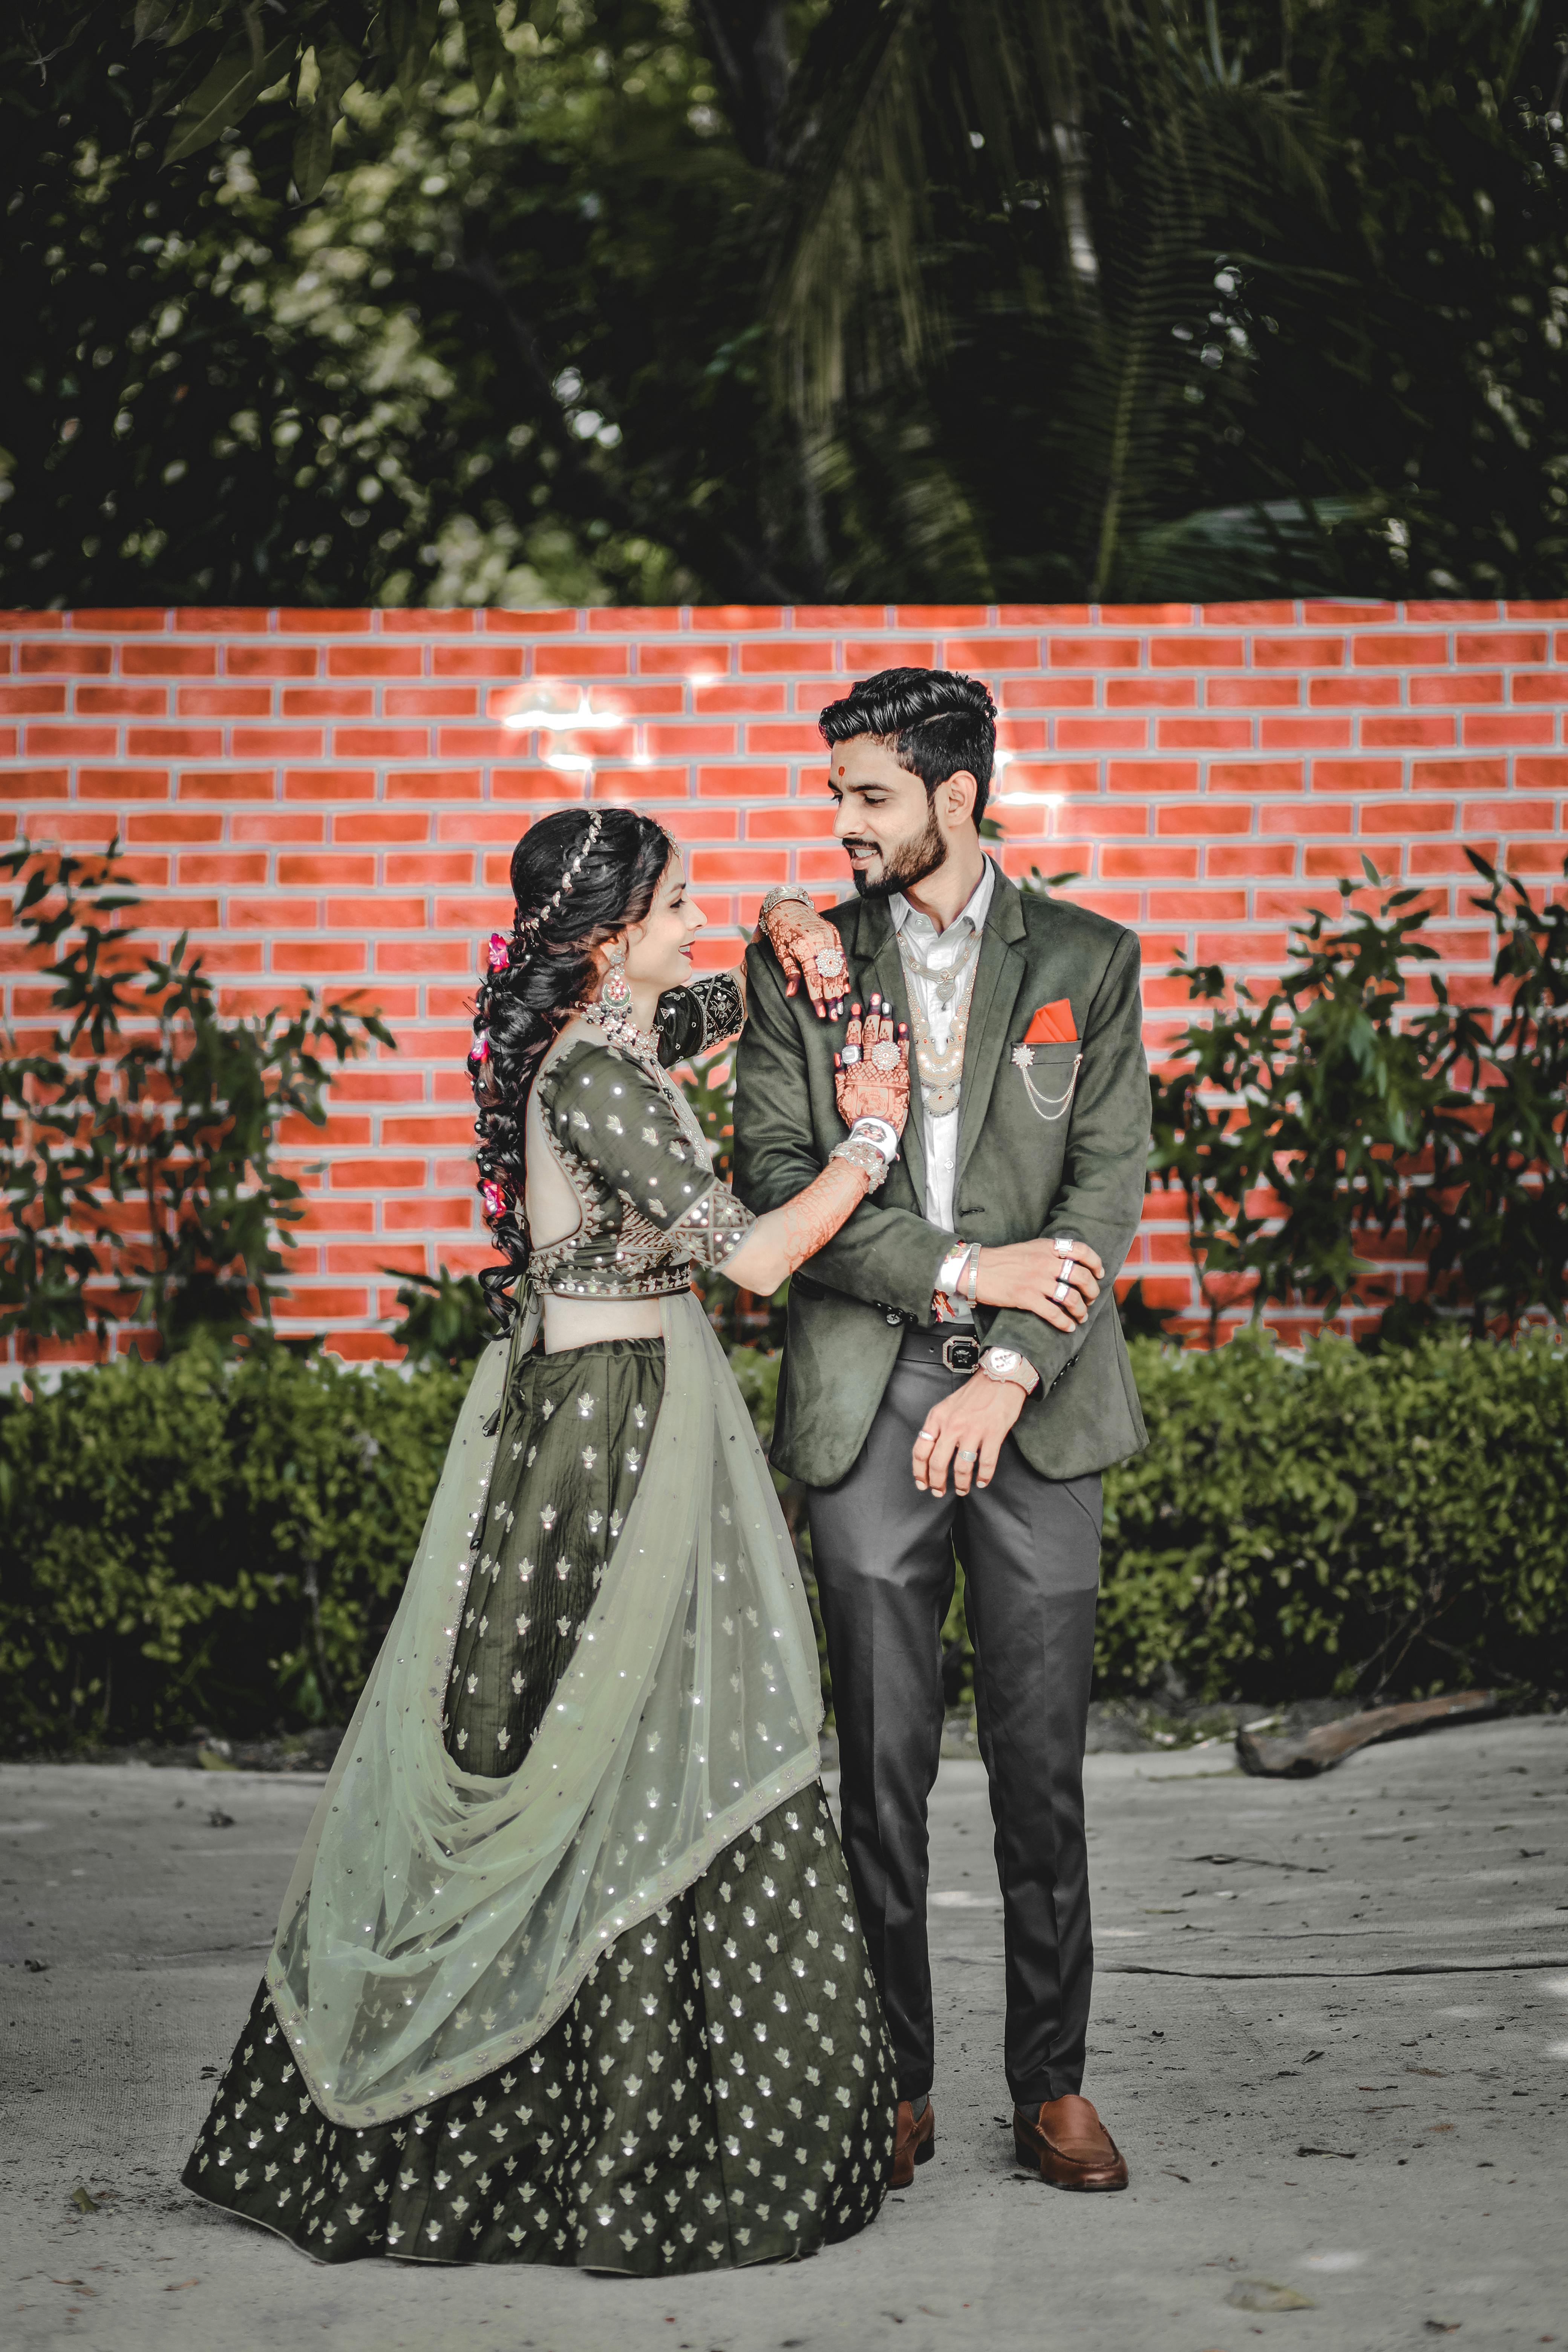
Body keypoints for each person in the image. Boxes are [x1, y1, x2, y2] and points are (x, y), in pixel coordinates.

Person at [182, 805, 913, 2274]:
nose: (695, 923)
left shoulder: (606, 1035)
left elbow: (718, 997)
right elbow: (759, 1258)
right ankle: (577, 2134)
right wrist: (874, 1132)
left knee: (636, 1732)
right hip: (612, 1439)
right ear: (611, 935)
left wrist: (784, 920)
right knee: (619, 1739)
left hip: (614, 1408)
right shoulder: (594, 1075)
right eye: (679, 904)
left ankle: (620, 2105)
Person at [733, 667, 1151, 2195]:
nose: (841, 822)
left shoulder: (1089, 962)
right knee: (880, 1767)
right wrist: (966, 1275)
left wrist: (1011, 1366)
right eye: (836, 795)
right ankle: (893, 2080)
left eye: (869, 796)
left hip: (1037, 1402)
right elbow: (781, 1180)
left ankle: (1052, 2085)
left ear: (954, 797)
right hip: (869, 1395)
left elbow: (1103, 1191)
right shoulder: (797, 963)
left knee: (1042, 1769)